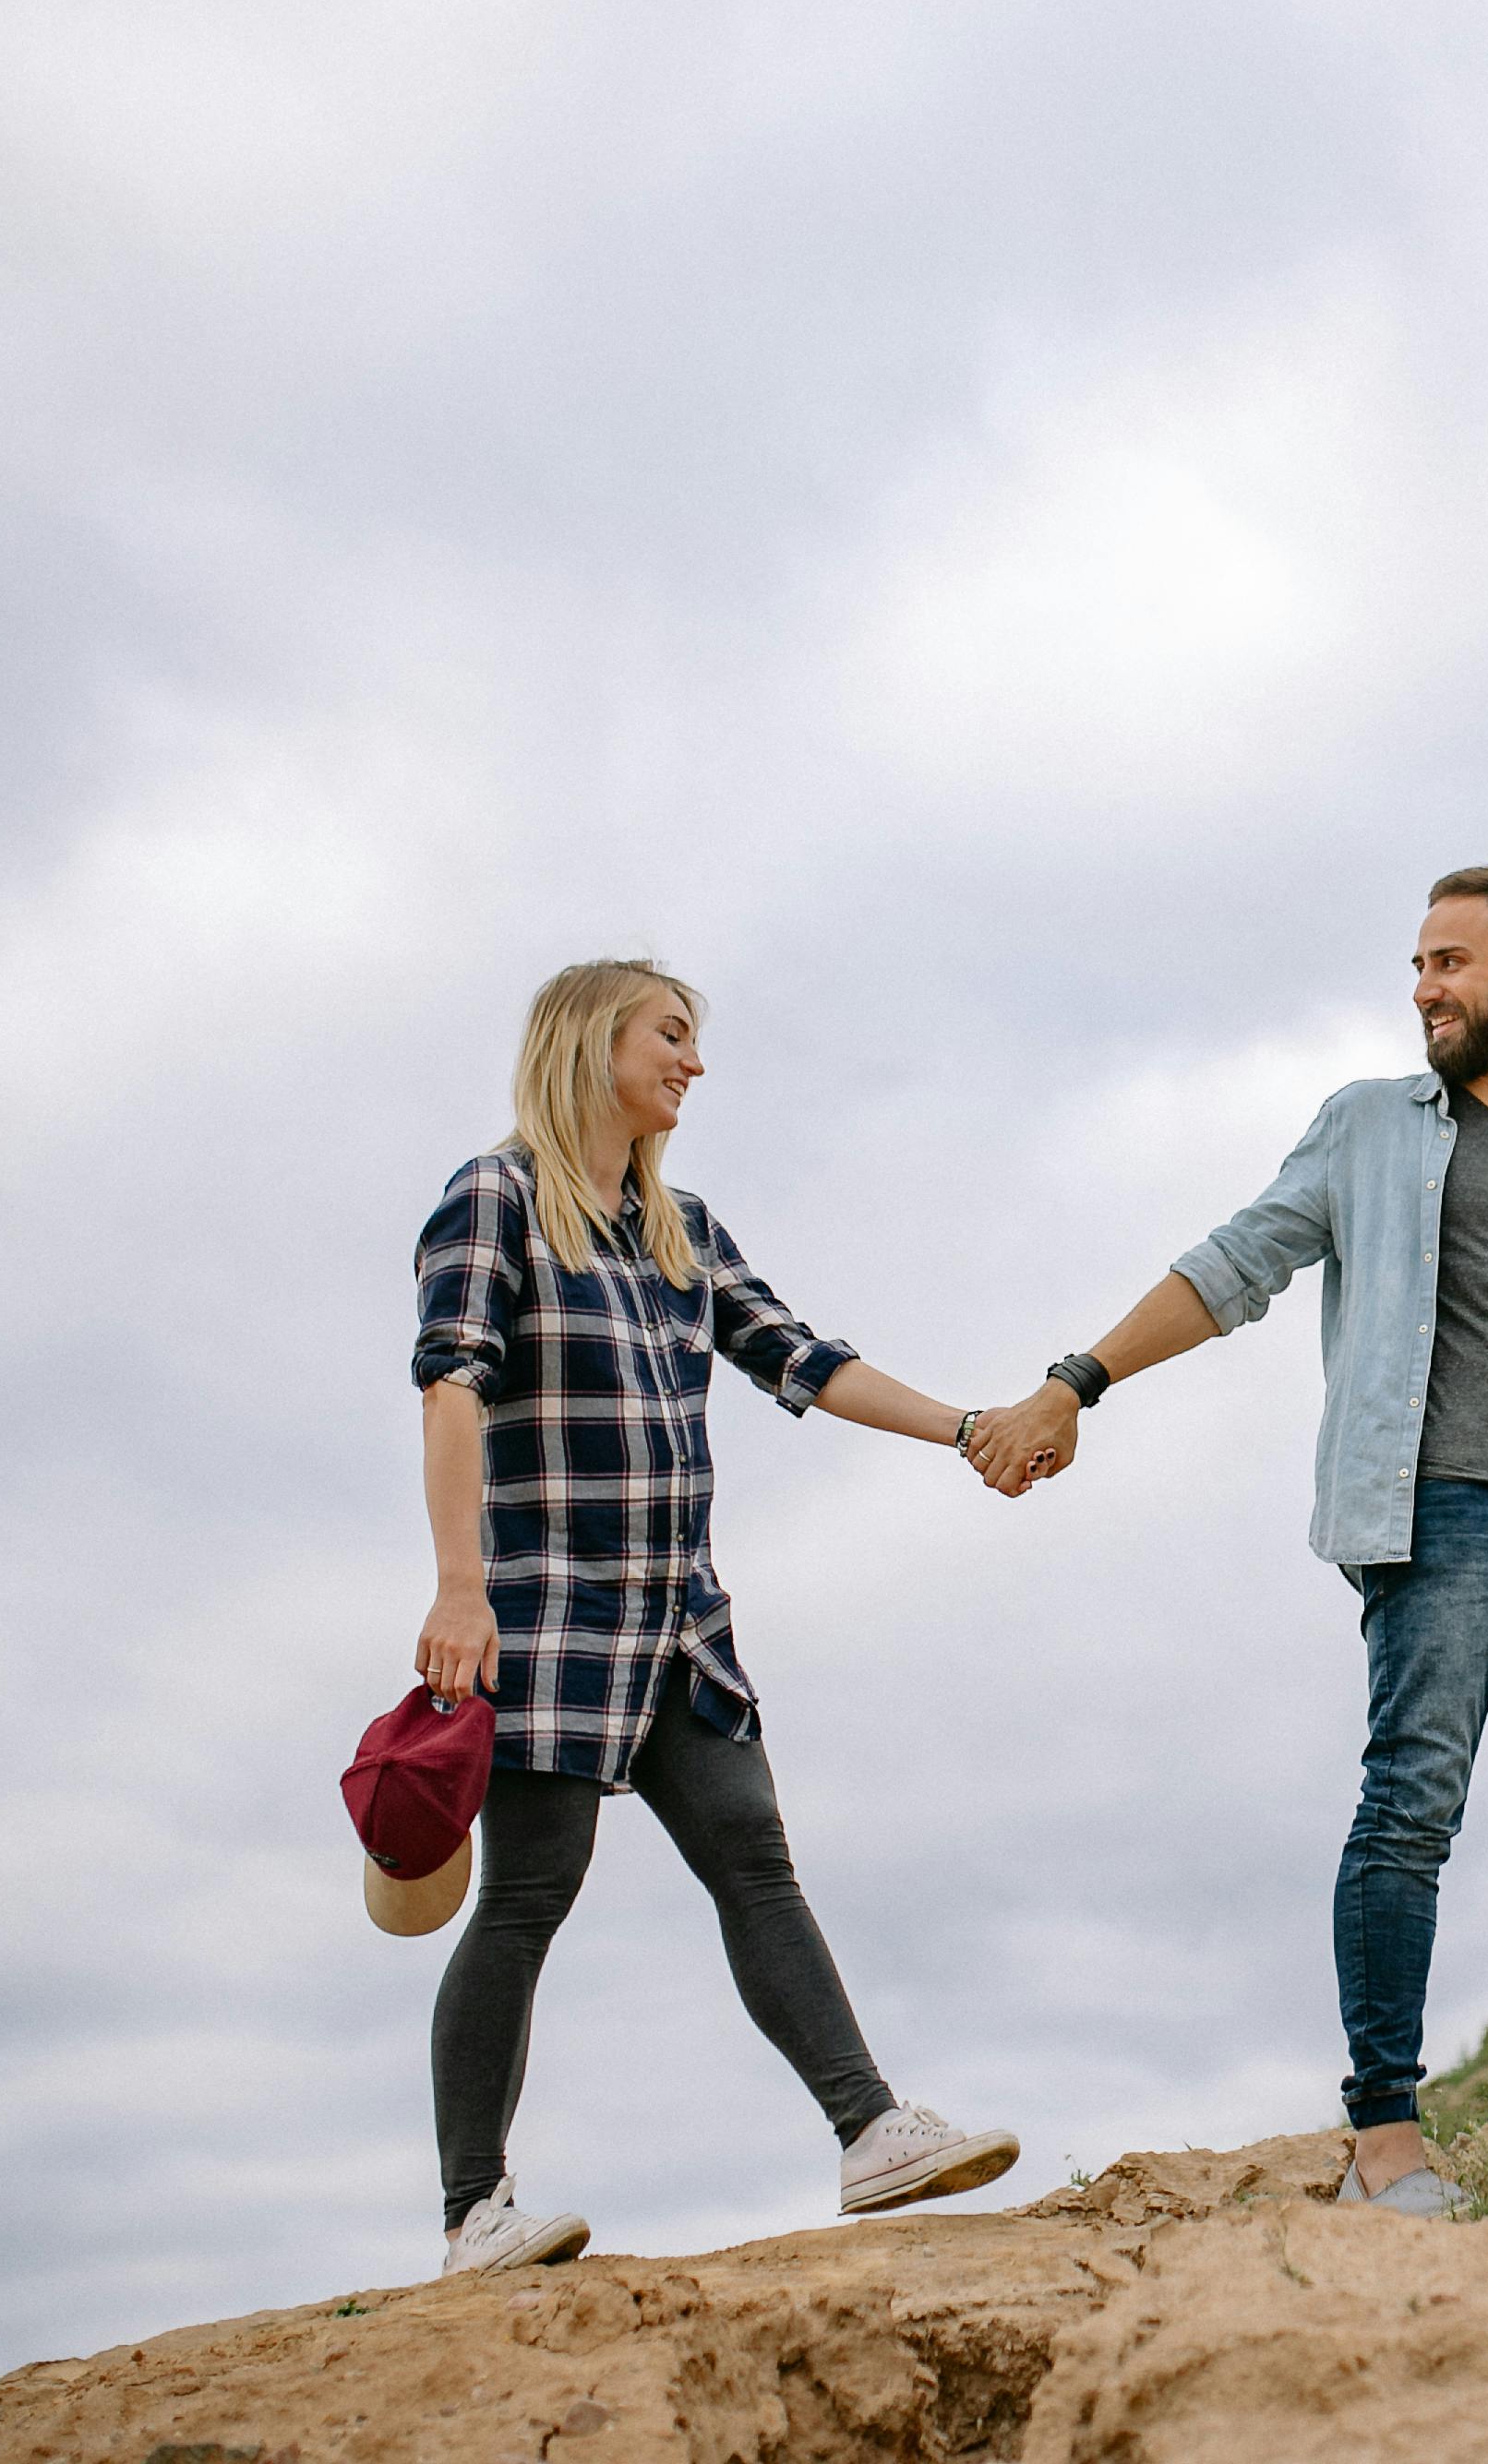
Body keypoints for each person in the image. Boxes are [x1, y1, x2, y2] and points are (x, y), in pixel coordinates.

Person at [968, 867, 1488, 2215]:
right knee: (1412, 1804)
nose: (1424, 988)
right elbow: (1234, 1266)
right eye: (1417, 963)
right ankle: (1386, 2136)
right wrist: (1077, 1380)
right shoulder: (1366, 1129)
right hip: (1439, 1507)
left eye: (1452, 963)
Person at [408, 959, 1017, 2274]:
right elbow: (450, 1386)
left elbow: (802, 1358)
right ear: (591, 1043)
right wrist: (460, 1586)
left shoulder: (680, 1229)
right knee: (526, 1897)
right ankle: (475, 2216)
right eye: (671, 1035)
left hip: (678, 1622)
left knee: (754, 1856)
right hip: (549, 1614)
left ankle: (870, 2131)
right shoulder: (496, 1199)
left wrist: (962, 1427)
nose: (694, 1062)